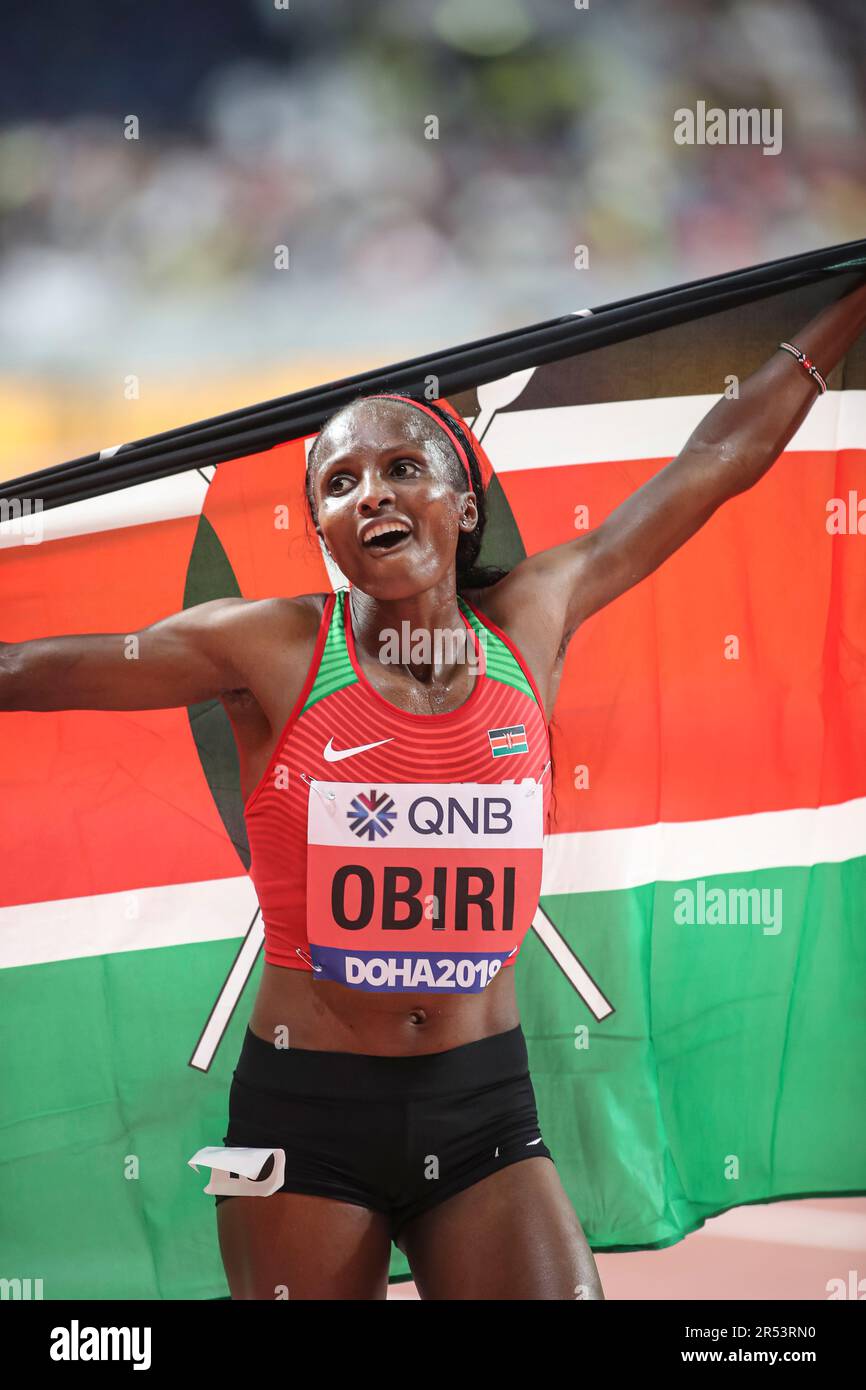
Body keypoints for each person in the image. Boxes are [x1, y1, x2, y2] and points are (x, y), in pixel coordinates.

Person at [2, 282, 865, 1301]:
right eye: (338, 483)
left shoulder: (533, 618)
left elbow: (714, 462)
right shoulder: (268, 647)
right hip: (303, 1119)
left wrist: (844, 306)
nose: (368, 493)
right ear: (321, 529)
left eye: (400, 467)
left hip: (482, 1109)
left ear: (462, 505)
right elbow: (31, 671)